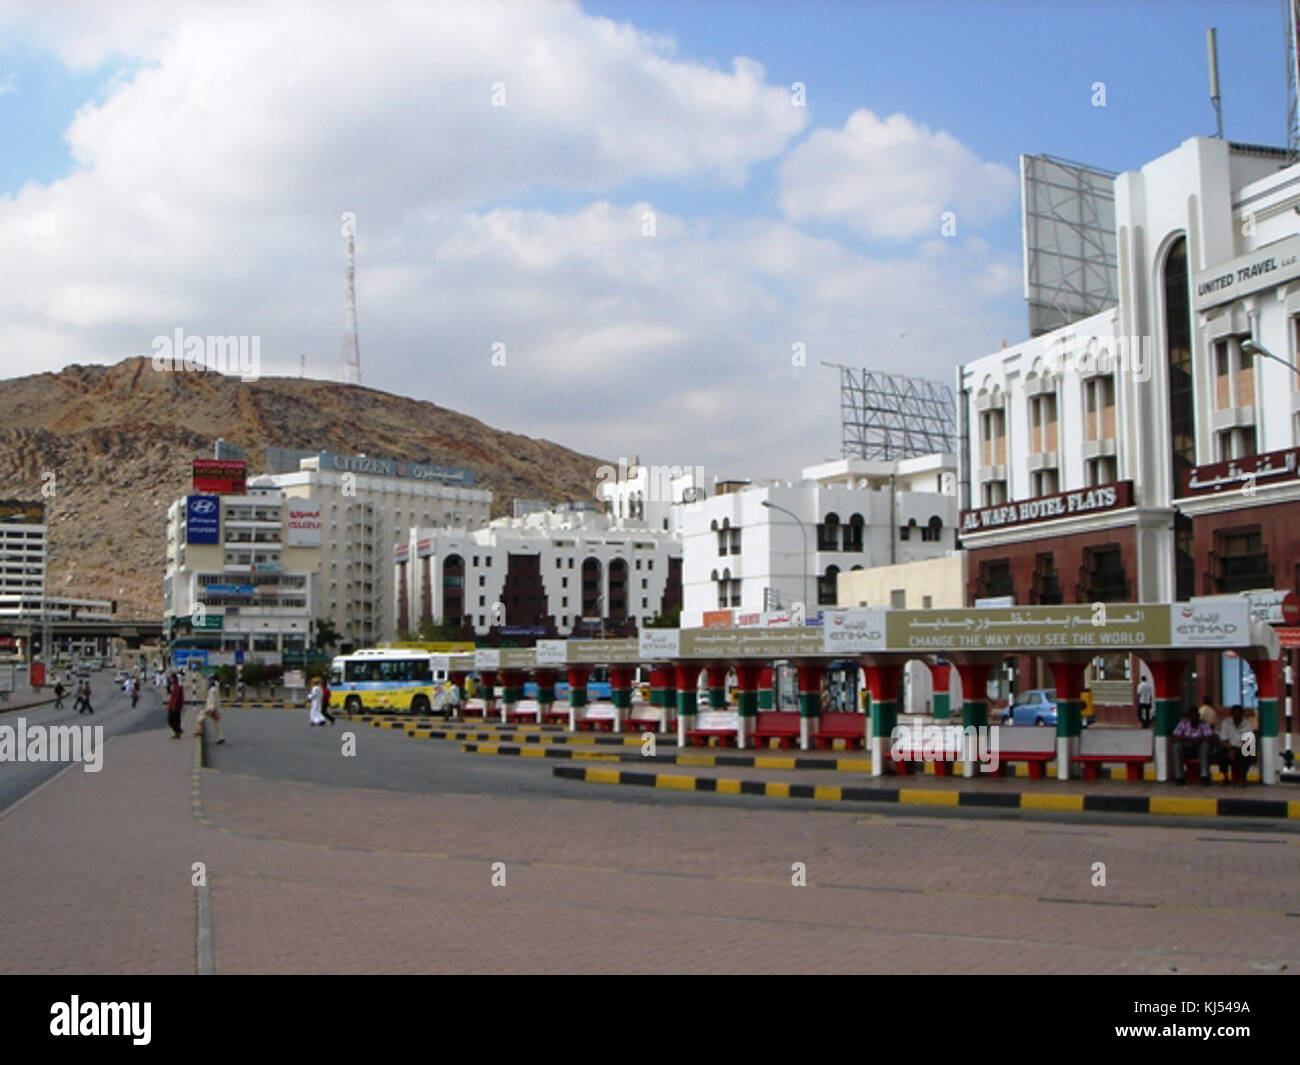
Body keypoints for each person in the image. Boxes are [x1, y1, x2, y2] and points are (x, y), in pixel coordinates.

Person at [1171, 706, 1213, 784]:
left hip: (1199, 749)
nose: (1193, 718)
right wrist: (1188, 739)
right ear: (1188, 717)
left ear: (1198, 716)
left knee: (1205, 746)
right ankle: (1179, 776)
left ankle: (1204, 776)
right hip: (1186, 748)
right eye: (1191, 716)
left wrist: (1199, 740)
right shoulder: (1183, 723)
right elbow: (1174, 737)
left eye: (1195, 716)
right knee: (1176, 746)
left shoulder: (1204, 724)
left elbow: (1210, 737)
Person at [1214, 705, 1252, 786]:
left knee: (1246, 752)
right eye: (1235, 714)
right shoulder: (1226, 723)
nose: (1236, 716)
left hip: (1241, 747)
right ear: (1231, 715)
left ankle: (1243, 777)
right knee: (1220, 752)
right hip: (1229, 747)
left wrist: (1236, 751)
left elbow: (1247, 742)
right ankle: (1225, 776)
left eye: (1238, 714)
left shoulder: (1247, 724)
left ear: (1242, 714)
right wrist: (1231, 750)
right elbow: (1224, 740)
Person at [194, 677, 226, 744]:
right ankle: (220, 737)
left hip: (210, 708)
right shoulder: (215, 690)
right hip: (214, 708)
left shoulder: (212, 691)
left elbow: (212, 701)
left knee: (200, 717)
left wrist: (211, 709)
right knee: (216, 724)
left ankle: (200, 730)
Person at [165, 673, 184, 738]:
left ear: (174, 678)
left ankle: (178, 731)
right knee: (176, 720)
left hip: (175, 707)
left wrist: (173, 706)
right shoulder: (175, 685)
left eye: (171, 678)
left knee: (170, 720)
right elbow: (172, 696)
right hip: (175, 706)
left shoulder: (177, 686)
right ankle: (177, 733)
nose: (171, 680)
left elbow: (177, 697)